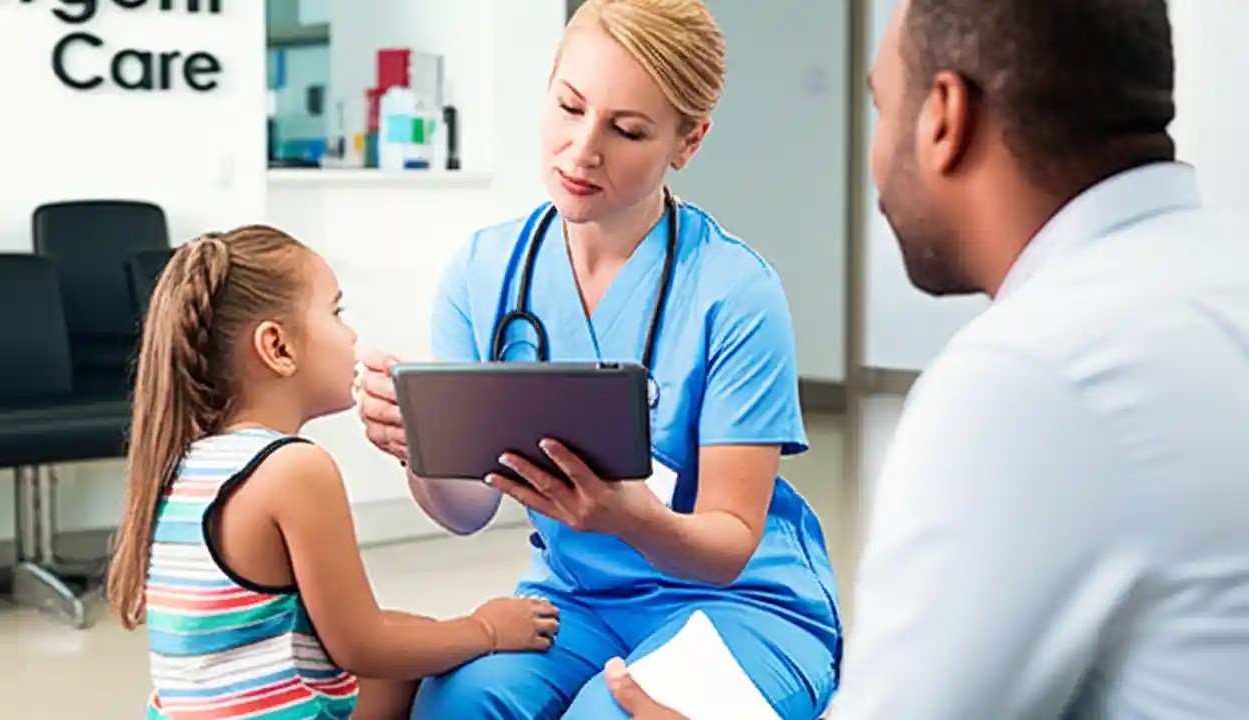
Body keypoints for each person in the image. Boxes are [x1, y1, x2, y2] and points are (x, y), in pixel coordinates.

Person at [606, 0, 1249, 717]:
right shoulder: (1222, 273)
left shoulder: (1030, 379)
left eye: (882, 107)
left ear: (944, 117)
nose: (877, 159)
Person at [355, 0, 843, 717]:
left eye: (628, 130)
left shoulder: (736, 292)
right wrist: (416, 446)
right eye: (570, 106)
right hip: (575, 599)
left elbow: (731, 544)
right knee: (455, 707)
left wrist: (628, 517)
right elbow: (466, 510)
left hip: (740, 606)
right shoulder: (485, 272)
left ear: (689, 142)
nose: (582, 150)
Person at [105, 227, 561, 720]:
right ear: (277, 347)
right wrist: (484, 629)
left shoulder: (188, 460)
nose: (351, 334)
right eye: (336, 312)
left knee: (411, 667)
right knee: (442, 680)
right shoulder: (294, 468)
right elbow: (362, 645)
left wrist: (432, 630)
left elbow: (335, 638)